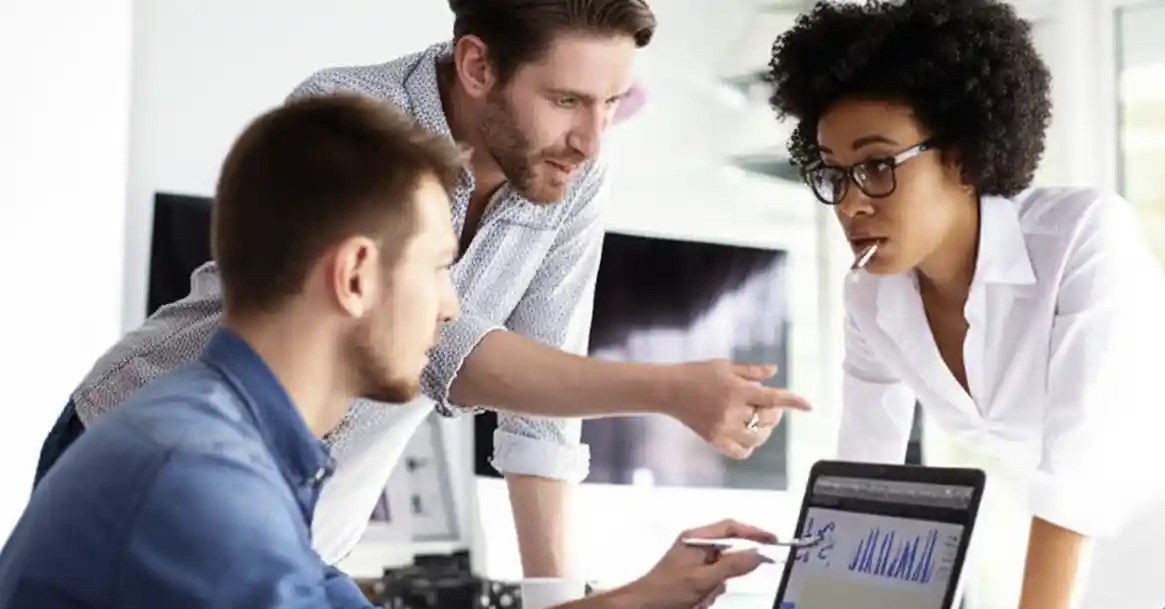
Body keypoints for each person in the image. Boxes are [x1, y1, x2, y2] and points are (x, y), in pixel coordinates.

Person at [0, 94, 827, 609]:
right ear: (357, 275)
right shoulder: (194, 471)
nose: (450, 307)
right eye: (438, 268)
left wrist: (643, 601)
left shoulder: (235, 447)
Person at [35, 0, 809, 578]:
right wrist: (667, 390)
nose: (592, 140)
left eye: (612, 104)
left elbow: (539, 419)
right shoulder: (351, 121)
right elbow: (433, 350)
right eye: (567, 100)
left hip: (309, 522)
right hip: (151, 449)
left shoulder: (574, 173)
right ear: (477, 66)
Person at [676, 2, 1165, 609]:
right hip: (1084, 585)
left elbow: (1077, 470)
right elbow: (864, 478)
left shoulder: (1083, 237)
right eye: (834, 173)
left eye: (878, 166)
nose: (851, 203)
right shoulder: (872, 296)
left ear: (960, 153)